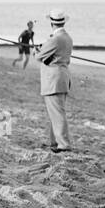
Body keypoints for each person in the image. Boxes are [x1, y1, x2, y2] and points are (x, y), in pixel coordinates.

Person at [37, 8, 73, 153]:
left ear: (52, 23)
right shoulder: (67, 37)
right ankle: (55, 143)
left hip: (54, 80)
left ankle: (63, 145)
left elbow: (39, 56)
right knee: (55, 112)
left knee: (57, 113)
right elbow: (52, 55)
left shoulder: (55, 39)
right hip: (62, 77)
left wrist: (37, 50)